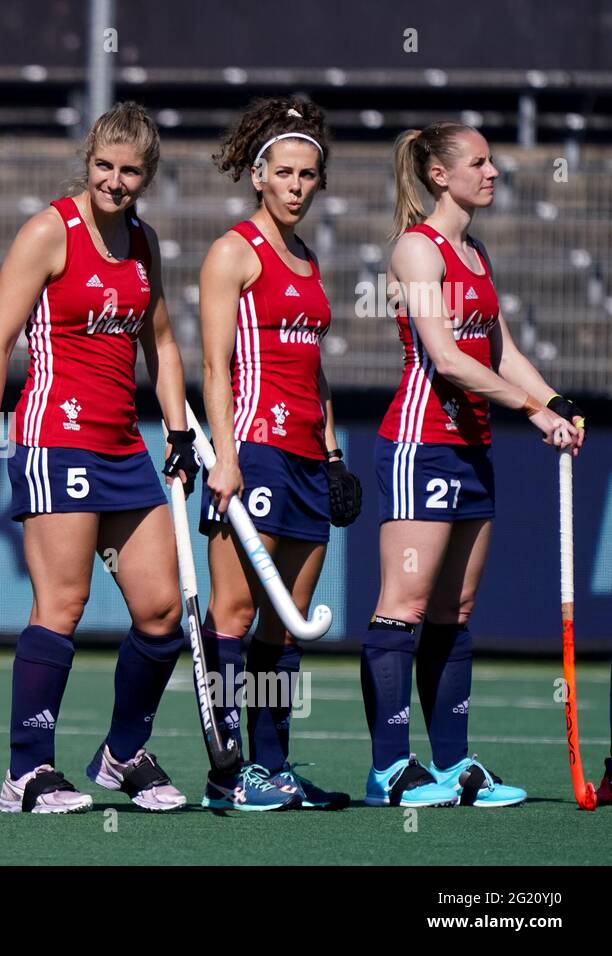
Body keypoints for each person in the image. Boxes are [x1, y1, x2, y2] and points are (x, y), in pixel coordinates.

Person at [0, 102, 198, 813]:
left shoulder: (144, 243)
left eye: (129, 171)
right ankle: (26, 773)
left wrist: (179, 431)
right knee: (61, 605)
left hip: (124, 446)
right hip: (56, 439)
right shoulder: (49, 232)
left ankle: (123, 753)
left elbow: (160, 344)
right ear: (88, 161)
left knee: (161, 612)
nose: (114, 181)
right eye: (104, 165)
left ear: (146, 175)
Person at [363, 122, 585, 807]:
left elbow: (500, 350)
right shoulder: (417, 249)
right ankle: (390, 772)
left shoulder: (476, 252)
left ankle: (454, 766)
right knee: (402, 608)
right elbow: (448, 356)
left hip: (471, 446)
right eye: (480, 163)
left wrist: (555, 399)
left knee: (455, 612)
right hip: (420, 443)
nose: (493, 172)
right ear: (440, 175)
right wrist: (530, 410)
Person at [196, 98, 359, 811]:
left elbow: (313, 368)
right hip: (253, 451)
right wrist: (224, 459)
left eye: (307, 175)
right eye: (284, 173)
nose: (296, 186)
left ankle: (273, 765)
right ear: (259, 175)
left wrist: (331, 455)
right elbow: (213, 365)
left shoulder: (308, 258)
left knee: (288, 621)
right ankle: (227, 773)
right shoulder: (235, 251)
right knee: (232, 614)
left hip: (303, 458)